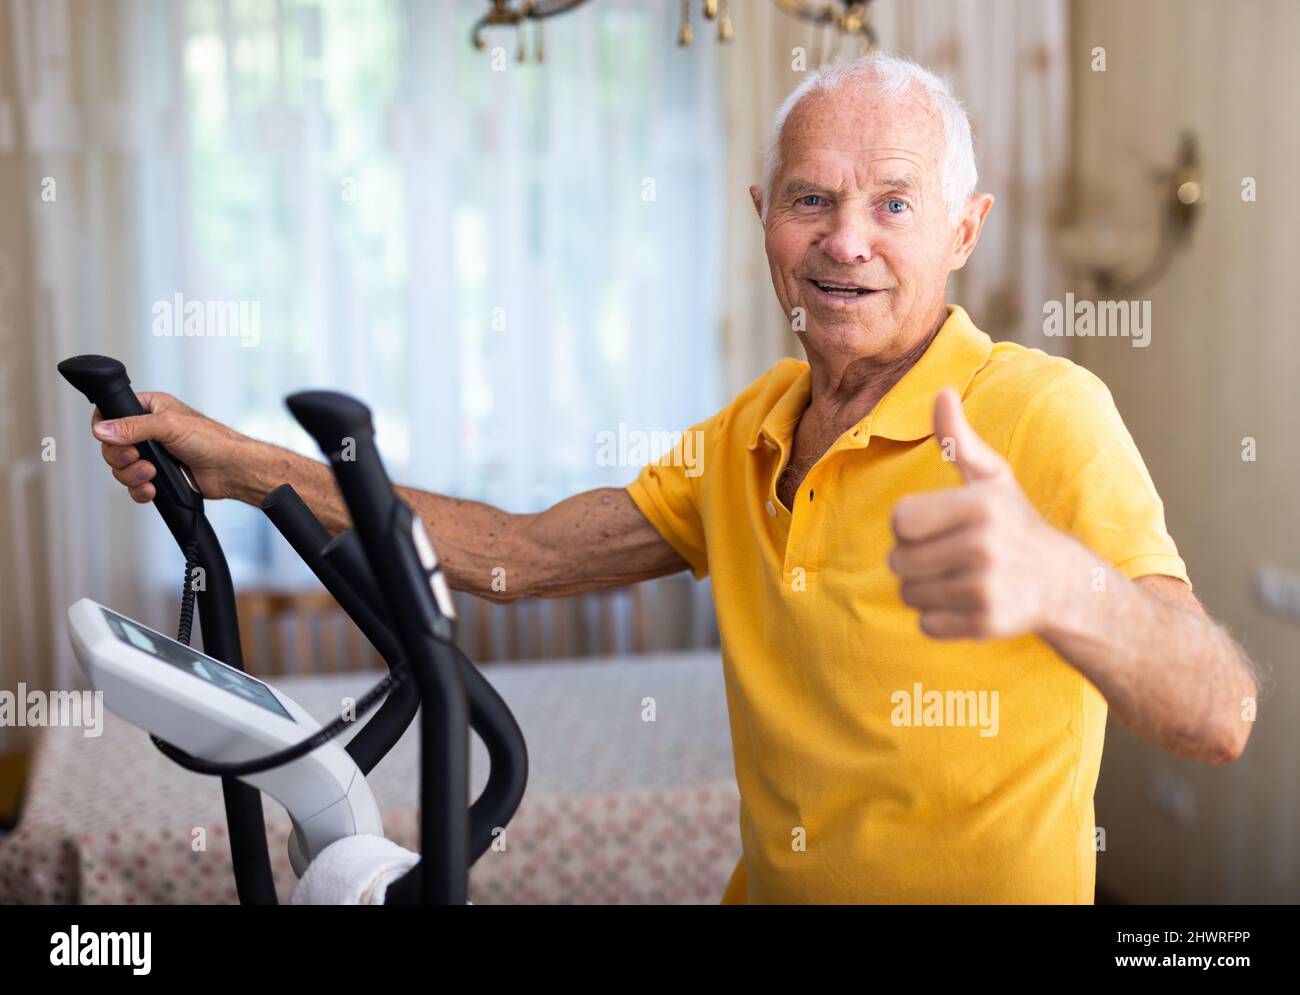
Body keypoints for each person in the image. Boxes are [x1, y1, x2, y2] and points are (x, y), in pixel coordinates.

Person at [89, 52, 1258, 904]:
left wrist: (1059, 581)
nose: (847, 239)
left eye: (894, 203)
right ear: (765, 220)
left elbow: (1218, 713)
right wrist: (247, 466)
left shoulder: (1044, 413)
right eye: (812, 199)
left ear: (963, 229)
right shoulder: (746, 429)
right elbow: (519, 552)